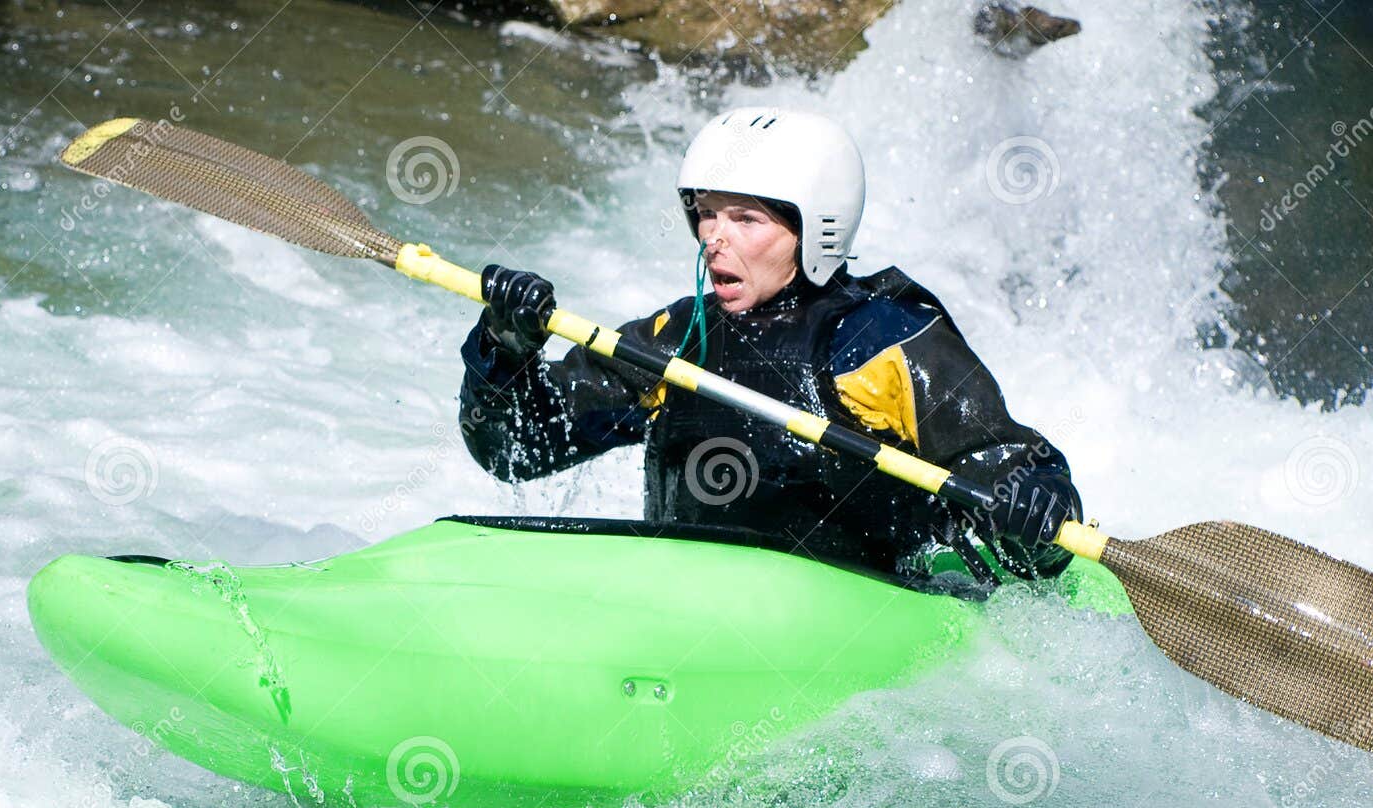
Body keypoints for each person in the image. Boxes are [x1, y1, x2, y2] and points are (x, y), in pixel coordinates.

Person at [456, 106, 1082, 583]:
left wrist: (1033, 515)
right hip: (683, 602)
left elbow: (1019, 481)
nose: (713, 238)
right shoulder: (676, 338)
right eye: (706, 213)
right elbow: (517, 453)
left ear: (817, 229)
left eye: (745, 219)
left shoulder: (882, 343)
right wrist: (504, 351)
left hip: (857, 613)